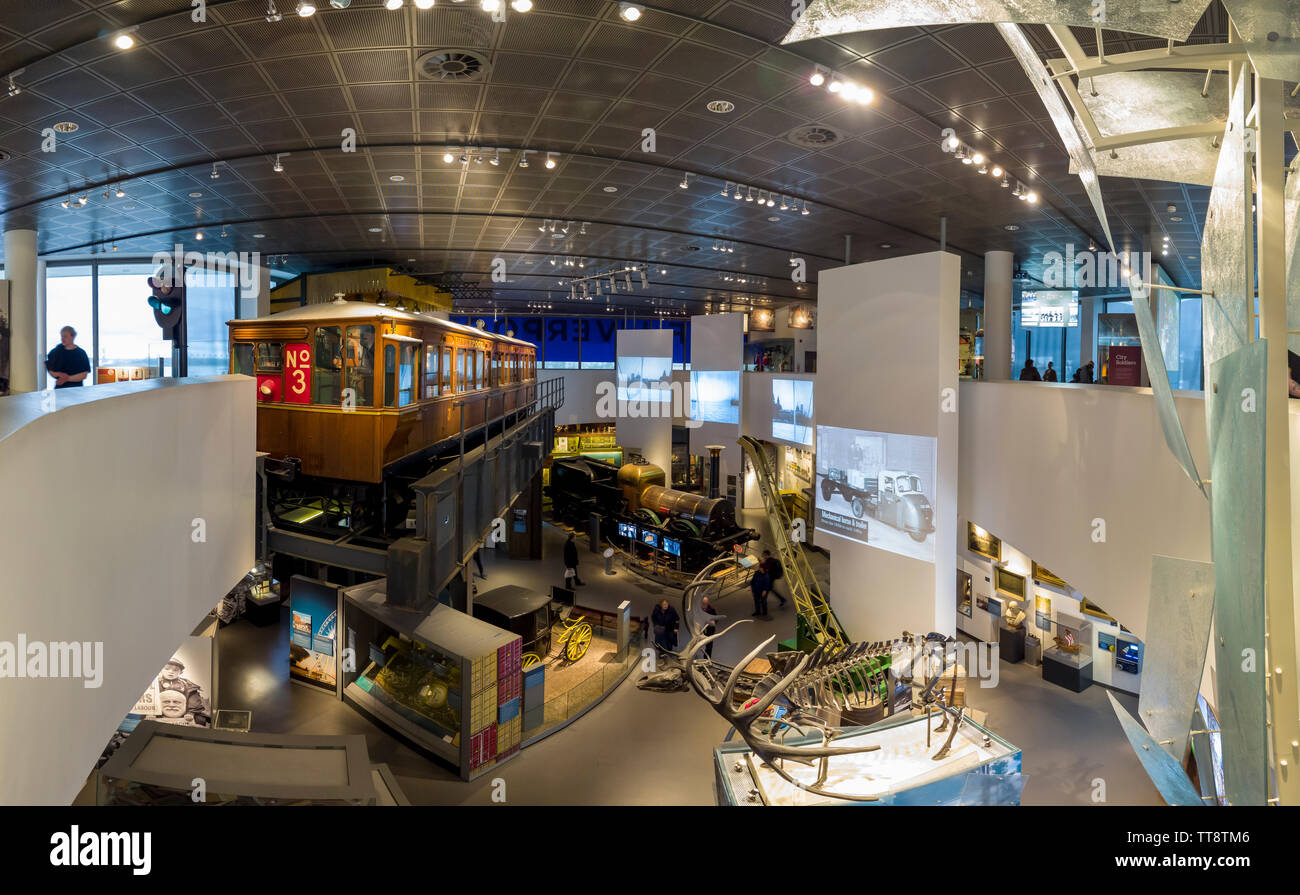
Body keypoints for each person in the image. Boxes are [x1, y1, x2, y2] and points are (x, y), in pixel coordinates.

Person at [157, 657, 210, 727]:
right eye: (167, 669)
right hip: (160, 712)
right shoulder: (155, 684)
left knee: (200, 719)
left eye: (175, 670)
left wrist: (190, 713)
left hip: (183, 713)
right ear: (161, 670)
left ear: (181, 672)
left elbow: (193, 699)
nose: (171, 672)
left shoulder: (187, 685)